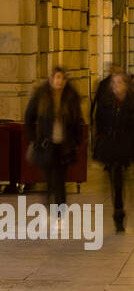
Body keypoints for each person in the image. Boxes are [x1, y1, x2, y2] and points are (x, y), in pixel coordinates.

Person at [24, 66, 85, 216]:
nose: (59, 81)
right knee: (49, 181)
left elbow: (78, 120)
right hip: (46, 145)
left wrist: (77, 140)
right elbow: (28, 116)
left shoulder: (70, 98)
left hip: (63, 146)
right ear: (51, 79)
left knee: (60, 181)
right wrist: (32, 138)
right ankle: (49, 204)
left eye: (62, 78)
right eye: (57, 77)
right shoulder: (41, 96)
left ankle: (60, 213)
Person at [93, 72, 134, 233]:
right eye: (113, 83)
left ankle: (119, 210)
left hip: (125, 146)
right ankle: (118, 211)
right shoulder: (106, 102)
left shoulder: (133, 102)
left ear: (126, 85)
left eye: (119, 82)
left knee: (120, 179)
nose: (115, 86)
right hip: (110, 145)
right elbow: (99, 122)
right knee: (115, 180)